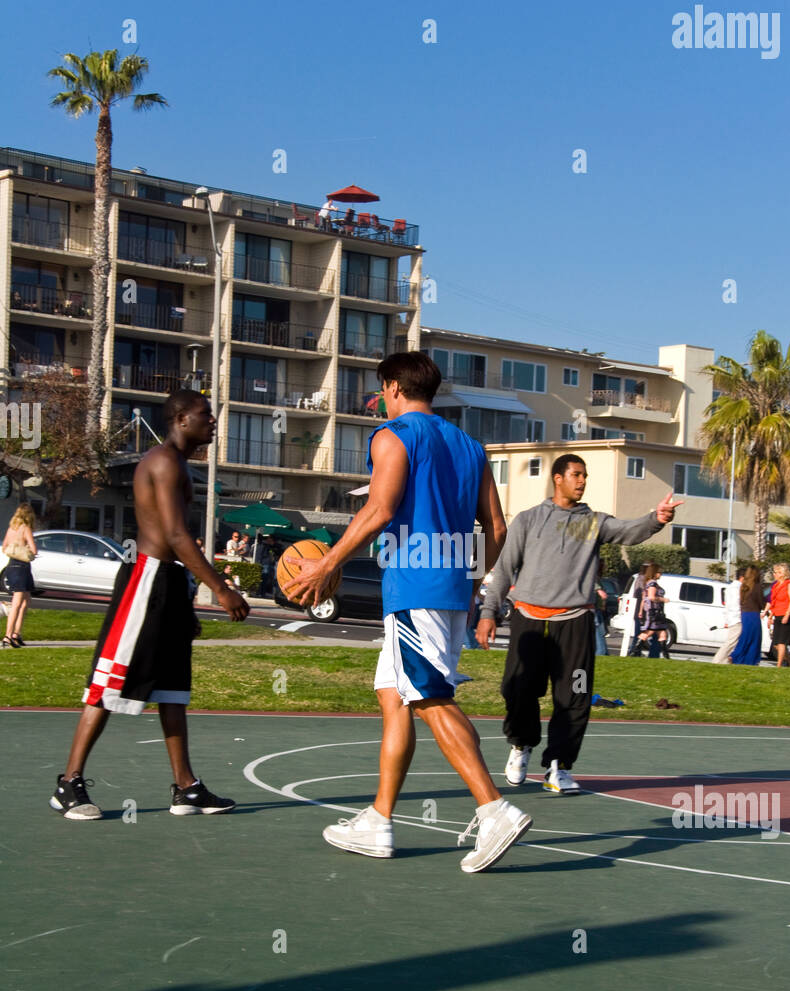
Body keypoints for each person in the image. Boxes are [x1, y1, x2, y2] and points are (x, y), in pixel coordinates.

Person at [282, 350, 532, 873]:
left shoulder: (393, 435)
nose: (381, 401)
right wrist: (468, 580)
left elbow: (380, 508)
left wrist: (328, 562)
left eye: (381, 392)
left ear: (394, 387)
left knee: (429, 698)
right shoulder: (470, 445)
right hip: (445, 587)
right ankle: (379, 820)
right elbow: (498, 529)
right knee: (394, 696)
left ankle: (494, 808)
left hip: (414, 589)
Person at [49, 390, 249, 820]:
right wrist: (221, 588)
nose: (212, 422)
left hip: (169, 583)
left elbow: (178, 543)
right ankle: (69, 783)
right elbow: (176, 536)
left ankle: (186, 787)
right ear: (180, 419)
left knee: (173, 690)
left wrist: (186, 604)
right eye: (205, 415)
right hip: (146, 580)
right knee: (108, 684)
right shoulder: (161, 461)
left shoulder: (179, 463)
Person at [477, 455, 682, 793]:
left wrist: (655, 519)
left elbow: (629, 531)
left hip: (575, 622)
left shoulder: (593, 522)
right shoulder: (529, 520)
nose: (582, 481)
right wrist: (488, 613)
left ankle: (558, 765)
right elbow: (504, 568)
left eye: (585, 475)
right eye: (576, 474)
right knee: (518, 690)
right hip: (529, 621)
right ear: (558, 478)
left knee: (575, 693)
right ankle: (521, 746)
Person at [2, 503, 38, 649]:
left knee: (25, 600)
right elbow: (34, 550)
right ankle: (8, 635)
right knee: (17, 603)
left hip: (11, 565)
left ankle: (17, 633)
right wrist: (26, 549)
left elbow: (4, 546)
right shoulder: (25, 528)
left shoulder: (12, 528)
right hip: (22, 567)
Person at [730, 565, 764, 665]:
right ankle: (745, 658)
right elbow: (761, 602)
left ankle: (740, 657)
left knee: (746, 636)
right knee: (754, 638)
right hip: (754, 614)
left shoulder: (744, 586)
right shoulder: (757, 587)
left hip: (745, 613)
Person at [766, 562, 790, 667]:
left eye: (777, 572)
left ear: (782, 574)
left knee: (782, 642)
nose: (774, 574)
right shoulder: (775, 586)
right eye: (774, 572)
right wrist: (770, 616)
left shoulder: (789, 584)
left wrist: (787, 615)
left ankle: (779, 665)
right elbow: (773, 602)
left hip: (787, 615)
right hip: (777, 614)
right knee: (776, 644)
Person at [636, 563, 671, 657]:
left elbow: (644, 598)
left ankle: (666, 654)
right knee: (649, 632)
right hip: (653, 611)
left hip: (654, 611)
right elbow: (651, 597)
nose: (661, 574)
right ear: (654, 573)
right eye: (659, 572)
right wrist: (663, 599)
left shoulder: (648, 583)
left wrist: (640, 611)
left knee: (662, 632)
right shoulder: (652, 584)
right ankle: (635, 650)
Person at [712, 568, 744, 663]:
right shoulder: (737, 589)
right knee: (731, 642)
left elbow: (727, 606)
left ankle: (726, 661)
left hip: (732, 618)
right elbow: (736, 604)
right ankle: (717, 661)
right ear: (742, 578)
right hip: (737, 618)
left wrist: (727, 620)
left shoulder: (730, 587)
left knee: (733, 642)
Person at [619, 562, 649, 657]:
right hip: (640, 608)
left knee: (639, 630)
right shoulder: (643, 579)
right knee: (639, 631)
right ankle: (634, 650)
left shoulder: (639, 577)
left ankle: (635, 649)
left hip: (638, 607)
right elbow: (641, 594)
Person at [594, 559, 609, 657]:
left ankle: (603, 652)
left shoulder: (597, 577)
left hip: (597, 608)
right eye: (603, 565)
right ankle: (601, 652)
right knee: (599, 631)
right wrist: (599, 590)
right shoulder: (593, 576)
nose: (604, 567)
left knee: (601, 631)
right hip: (593, 608)